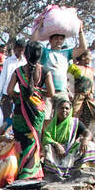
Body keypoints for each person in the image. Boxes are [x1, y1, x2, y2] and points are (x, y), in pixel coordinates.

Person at [7, 41, 55, 182]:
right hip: (36, 113)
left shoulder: (18, 71)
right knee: (33, 141)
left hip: (20, 113)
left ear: (26, 55)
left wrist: (20, 95)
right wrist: (37, 92)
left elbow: (9, 91)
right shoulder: (45, 71)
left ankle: (14, 173)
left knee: (20, 141)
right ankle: (30, 173)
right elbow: (51, 92)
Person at [41, 96, 95, 180]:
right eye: (61, 108)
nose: (64, 110)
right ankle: (54, 173)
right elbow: (46, 138)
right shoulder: (51, 125)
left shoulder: (74, 122)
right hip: (57, 154)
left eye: (67, 108)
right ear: (57, 110)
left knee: (90, 145)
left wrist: (85, 139)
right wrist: (56, 145)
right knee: (47, 147)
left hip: (71, 152)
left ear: (70, 110)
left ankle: (82, 169)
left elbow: (87, 133)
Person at [41, 25, 87, 97]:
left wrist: (80, 31)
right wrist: (38, 28)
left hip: (62, 91)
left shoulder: (67, 53)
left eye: (61, 39)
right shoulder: (45, 52)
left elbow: (83, 48)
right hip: (47, 91)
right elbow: (32, 44)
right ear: (50, 40)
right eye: (56, 38)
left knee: (65, 108)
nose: (59, 41)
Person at [0, 38, 26, 121]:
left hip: (19, 94)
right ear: (15, 49)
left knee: (17, 116)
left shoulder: (25, 62)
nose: (20, 53)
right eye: (19, 50)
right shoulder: (8, 61)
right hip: (7, 93)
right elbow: (2, 77)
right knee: (6, 116)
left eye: (22, 51)